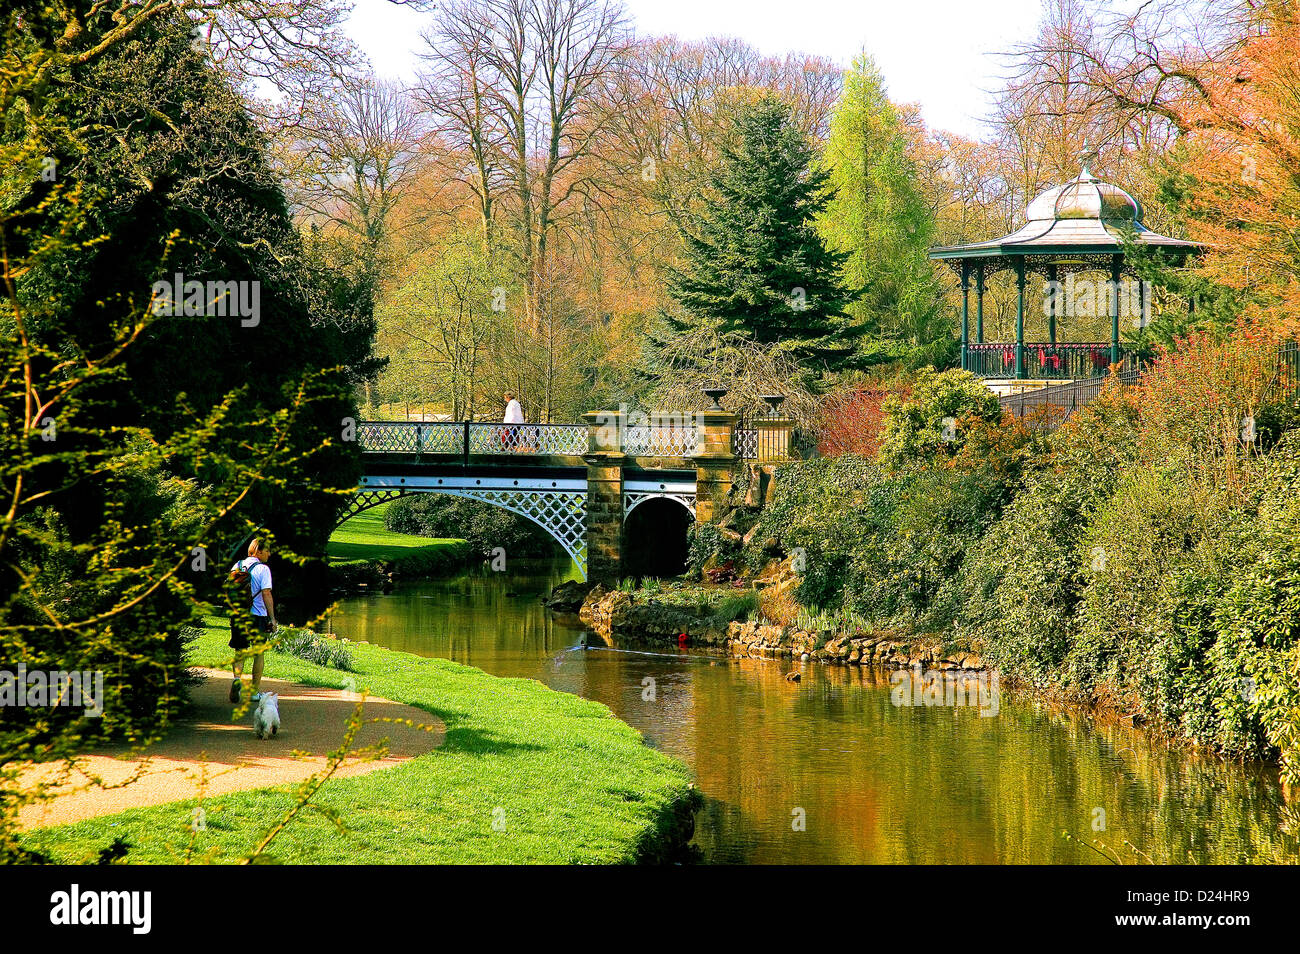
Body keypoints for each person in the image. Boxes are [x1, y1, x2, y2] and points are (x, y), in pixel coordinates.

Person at [228, 537, 276, 703]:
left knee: (240, 650)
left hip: (238, 614)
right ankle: (254, 692)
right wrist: (272, 618)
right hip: (257, 615)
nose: (269, 554)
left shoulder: (237, 566)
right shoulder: (263, 569)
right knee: (258, 653)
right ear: (258, 551)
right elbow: (266, 594)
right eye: (267, 550)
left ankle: (236, 679)